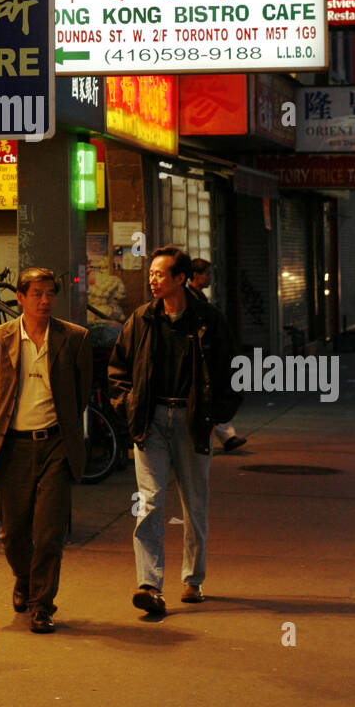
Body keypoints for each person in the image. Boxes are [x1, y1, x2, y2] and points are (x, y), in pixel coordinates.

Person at [109, 246, 240, 617]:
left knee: (194, 503)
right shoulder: (142, 319)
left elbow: (232, 369)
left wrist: (217, 415)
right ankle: (149, 583)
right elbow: (118, 371)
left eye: (160, 274)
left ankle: (193, 579)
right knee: (149, 502)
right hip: (151, 421)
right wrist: (130, 409)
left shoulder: (207, 320)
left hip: (191, 420)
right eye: (150, 273)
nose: (153, 280)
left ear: (180, 278)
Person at [0, 267, 92, 634]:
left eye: (50, 294)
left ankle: (42, 604)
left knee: (48, 532)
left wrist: (66, 432)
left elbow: (81, 392)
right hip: (14, 445)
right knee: (12, 533)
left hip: (56, 444)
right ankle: (25, 579)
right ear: (21, 297)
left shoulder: (74, 338)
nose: (45, 301)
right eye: (37, 294)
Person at [189, 259, 247, 453]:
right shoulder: (193, 299)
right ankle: (224, 436)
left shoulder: (197, 298)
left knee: (212, 396)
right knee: (210, 396)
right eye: (206, 274)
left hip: (205, 355)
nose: (209, 278)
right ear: (195, 276)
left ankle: (226, 435)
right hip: (201, 357)